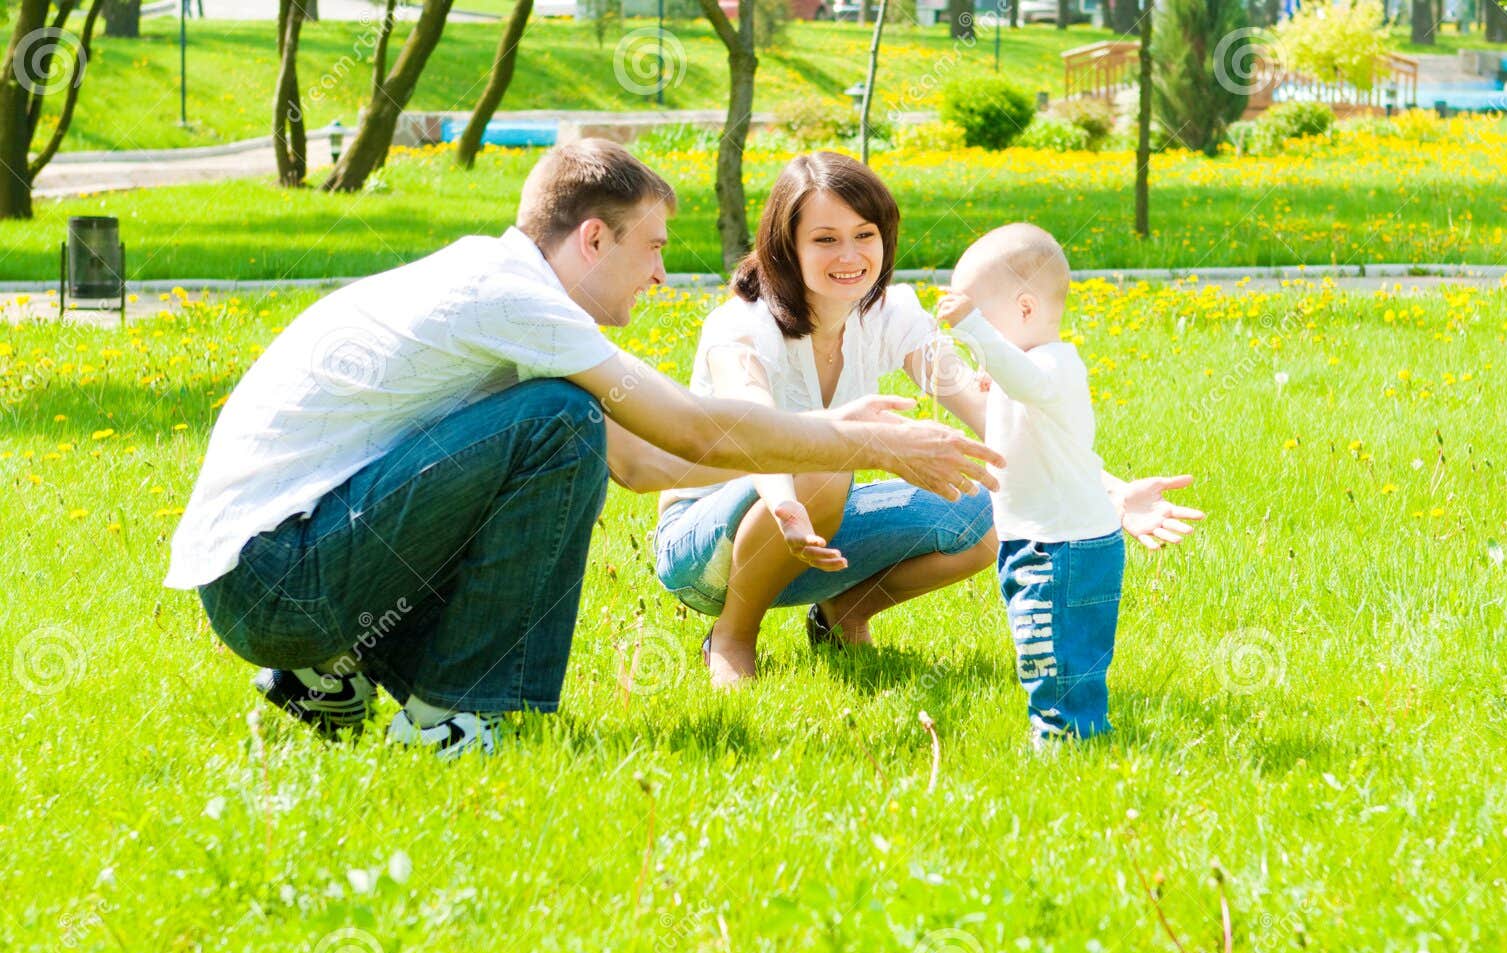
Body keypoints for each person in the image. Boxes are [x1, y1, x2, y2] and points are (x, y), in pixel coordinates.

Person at [163, 139, 1002, 758]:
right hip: (277, 580)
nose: (662, 276)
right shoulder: (510, 296)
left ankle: (331, 669)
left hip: (274, 574)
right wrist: (854, 440)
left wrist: (814, 453)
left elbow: (641, 462)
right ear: (594, 239)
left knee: (565, 427)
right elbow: (691, 426)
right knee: (558, 421)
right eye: (655, 248)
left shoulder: (509, 292)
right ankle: (454, 718)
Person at [654, 152, 1203, 688]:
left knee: (997, 506)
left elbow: (996, 421)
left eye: (864, 234)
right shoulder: (741, 329)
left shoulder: (891, 314)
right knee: (825, 458)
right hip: (704, 546)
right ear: (786, 246)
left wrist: (1107, 491)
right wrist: (784, 504)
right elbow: (758, 434)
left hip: (816, 528)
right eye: (825, 239)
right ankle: (732, 637)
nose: (850, 254)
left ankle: (841, 613)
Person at [935, 223, 1201, 743]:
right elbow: (1019, 402)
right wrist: (993, 367)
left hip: (1063, 548)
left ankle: (1066, 739)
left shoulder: (1055, 366)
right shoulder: (1030, 372)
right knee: (1043, 648)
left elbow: (1027, 380)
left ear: (1027, 309)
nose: (975, 341)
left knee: (1054, 652)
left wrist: (974, 332)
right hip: (1040, 540)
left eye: (983, 318)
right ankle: (1071, 731)